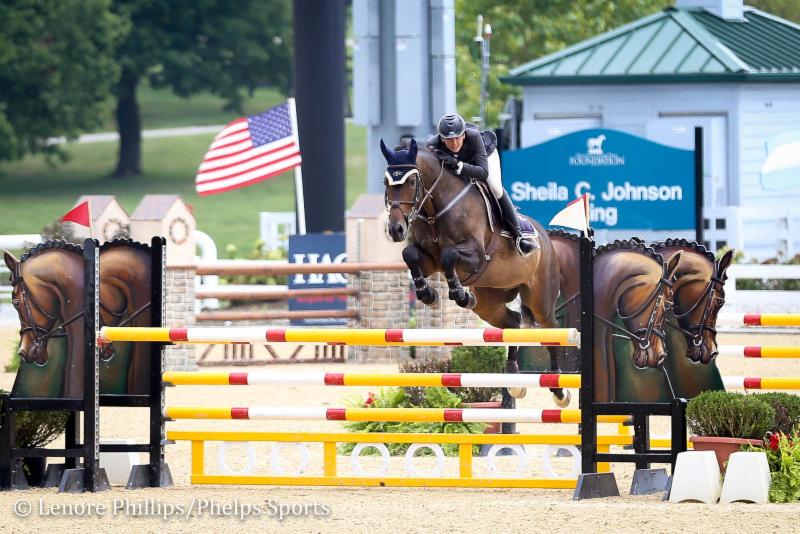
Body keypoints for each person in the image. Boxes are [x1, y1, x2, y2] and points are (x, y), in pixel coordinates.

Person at [426, 113, 536, 256]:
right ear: (441, 138)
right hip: (460, 163)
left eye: (457, 137)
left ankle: (518, 237)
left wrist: (457, 165)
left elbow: (483, 172)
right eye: (449, 139)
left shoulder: (475, 137)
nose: (454, 143)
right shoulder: (432, 145)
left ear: (464, 135)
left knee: (496, 188)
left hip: (485, 157)